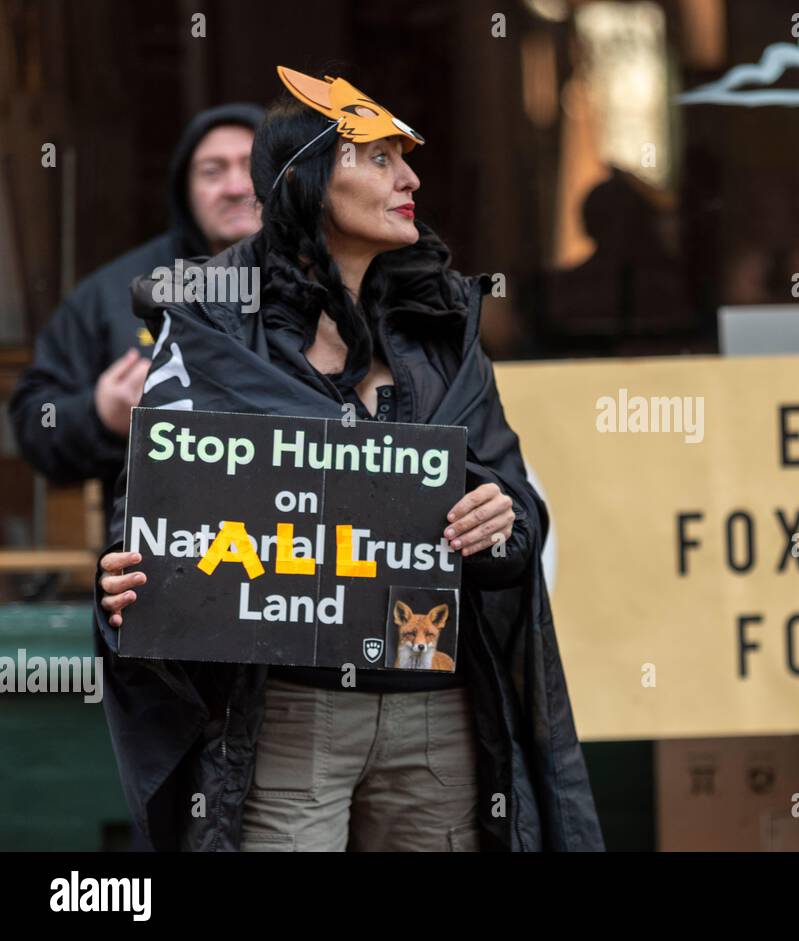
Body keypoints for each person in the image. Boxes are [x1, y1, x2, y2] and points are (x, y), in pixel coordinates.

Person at [92, 67, 603, 851]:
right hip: (292, 713)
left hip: (439, 714)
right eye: (381, 158)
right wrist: (125, 581)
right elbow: (158, 512)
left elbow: (513, 506)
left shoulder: (444, 327)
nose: (411, 177)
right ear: (307, 184)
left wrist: (501, 522)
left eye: (405, 157)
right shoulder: (214, 328)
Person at [9, 103, 264, 542]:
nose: (236, 186)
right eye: (212, 171)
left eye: (252, 166)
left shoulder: (330, 284)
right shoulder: (114, 293)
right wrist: (100, 414)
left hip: (299, 564)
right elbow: (35, 422)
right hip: (152, 571)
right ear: (183, 189)